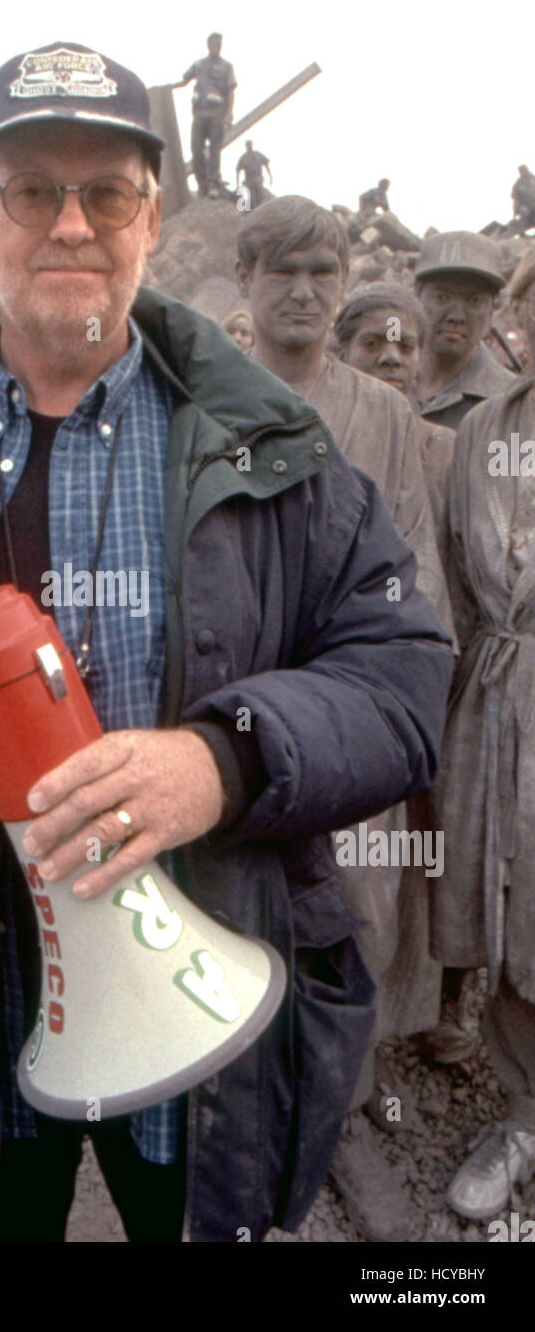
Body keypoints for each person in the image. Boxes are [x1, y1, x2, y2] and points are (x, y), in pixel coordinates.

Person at [0, 40, 452, 1245]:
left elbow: (401, 677)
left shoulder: (277, 448)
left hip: (208, 992)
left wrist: (221, 763)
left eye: (104, 193)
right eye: (29, 190)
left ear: (150, 218)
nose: (69, 224)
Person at [238, 195, 453, 1241]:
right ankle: (244, 1122)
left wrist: (398, 713)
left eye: (324, 271)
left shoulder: (385, 416)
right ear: (246, 283)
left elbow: (415, 572)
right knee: (235, 917)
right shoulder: (208, 403)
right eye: (283, 271)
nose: (307, 292)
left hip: (350, 712)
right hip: (234, 719)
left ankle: (344, 1107)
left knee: (354, 916)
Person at [428, 246, 535, 1218]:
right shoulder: (485, 431)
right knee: (505, 911)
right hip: (497, 696)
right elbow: (462, 590)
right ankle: (520, 1109)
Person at [333, 284, 455, 576]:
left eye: (405, 346)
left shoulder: (443, 448)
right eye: (372, 343)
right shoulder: (324, 441)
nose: (392, 358)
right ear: (342, 354)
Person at [412, 231, 514, 431]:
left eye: (473, 301)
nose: (456, 316)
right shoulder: (381, 378)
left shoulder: (511, 403)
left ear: (492, 310)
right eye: (442, 298)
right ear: (416, 298)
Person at [174, 34, 236, 198]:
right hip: (200, 112)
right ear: (208, 45)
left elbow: (231, 91)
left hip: (217, 112)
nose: (218, 46)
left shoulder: (226, 67)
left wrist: (229, 113)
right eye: (215, 43)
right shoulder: (199, 65)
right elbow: (183, 81)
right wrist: (166, 89)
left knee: (215, 150)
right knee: (196, 147)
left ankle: (213, 184)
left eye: (220, 44)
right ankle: (202, 185)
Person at [235, 141, 271, 209]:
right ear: (246, 146)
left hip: (258, 178)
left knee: (260, 197)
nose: (249, 146)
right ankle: (252, 212)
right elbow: (238, 171)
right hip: (249, 181)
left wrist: (270, 177)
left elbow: (266, 165)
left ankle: (260, 210)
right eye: (247, 145)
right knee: (251, 199)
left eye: (250, 145)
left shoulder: (258, 154)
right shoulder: (243, 157)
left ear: (252, 145)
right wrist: (237, 185)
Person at [511, 164, 535, 229]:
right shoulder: (518, 184)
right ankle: (522, 230)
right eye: (521, 171)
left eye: (524, 170)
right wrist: (515, 213)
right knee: (524, 212)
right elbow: (516, 200)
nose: (523, 173)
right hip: (525, 205)